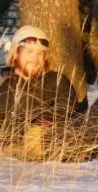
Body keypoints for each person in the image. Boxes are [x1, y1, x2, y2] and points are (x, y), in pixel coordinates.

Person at [0, 25, 88, 160]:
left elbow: (66, 105)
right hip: (14, 154)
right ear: (15, 53)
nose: (35, 59)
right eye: (29, 52)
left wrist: (39, 125)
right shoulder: (4, 85)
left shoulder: (56, 80)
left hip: (52, 143)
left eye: (40, 53)